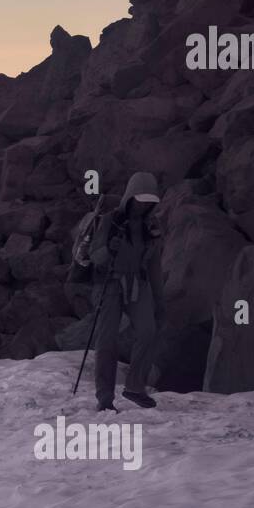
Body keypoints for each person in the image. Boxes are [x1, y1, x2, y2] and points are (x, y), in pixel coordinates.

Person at [88, 172, 166, 411]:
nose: (144, 204)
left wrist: (159, 299)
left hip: (138, 285)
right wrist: (108, 251)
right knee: (107, 341)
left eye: (148, 200)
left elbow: (153, 264)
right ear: (130, 197)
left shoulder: (151, 227)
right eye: (140, 198)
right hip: (109, 284)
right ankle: (104, 397)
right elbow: (94, 256)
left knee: (148, 331)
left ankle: (134, 387)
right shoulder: (110, 221)